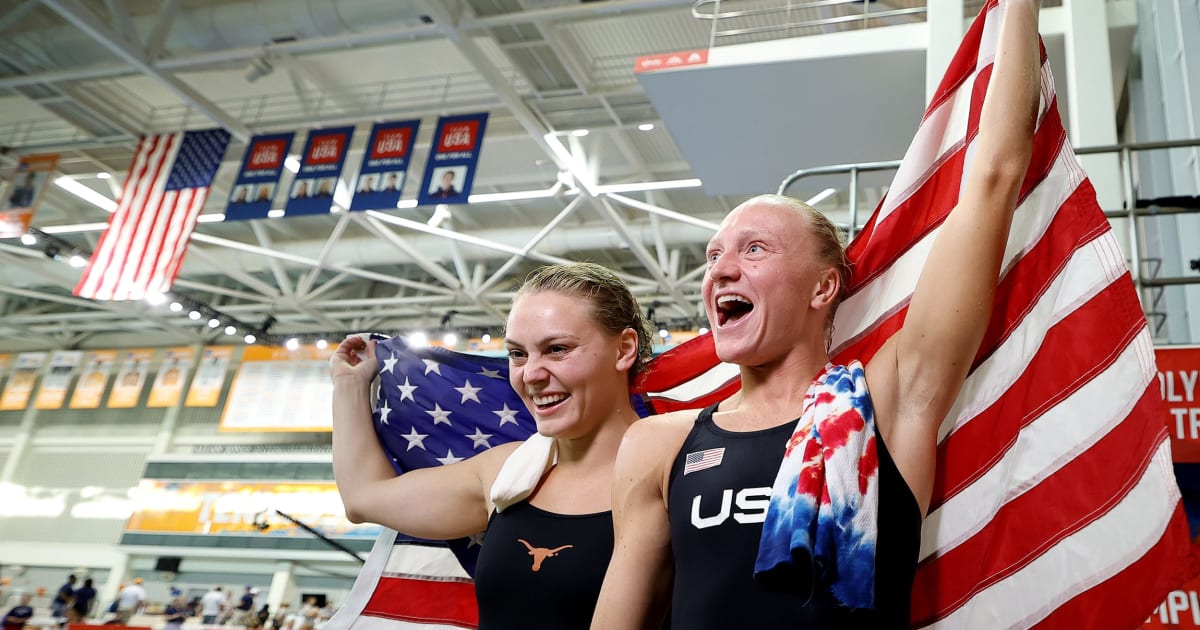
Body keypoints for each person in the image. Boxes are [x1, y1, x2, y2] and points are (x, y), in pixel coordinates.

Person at [591, 1, 1043, 628]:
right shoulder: (660, 444)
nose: (721, 269)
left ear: (823, 287)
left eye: (755, 249)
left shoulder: (887, 403)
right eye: (714, 254)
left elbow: (994, 176)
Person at [332, 262, 655, 629]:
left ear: (624, 349)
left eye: (557, 349)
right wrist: (349, 387)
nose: (530, 374)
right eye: (517, 354)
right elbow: (363, 498)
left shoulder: (680, 473)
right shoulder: (506, 473)